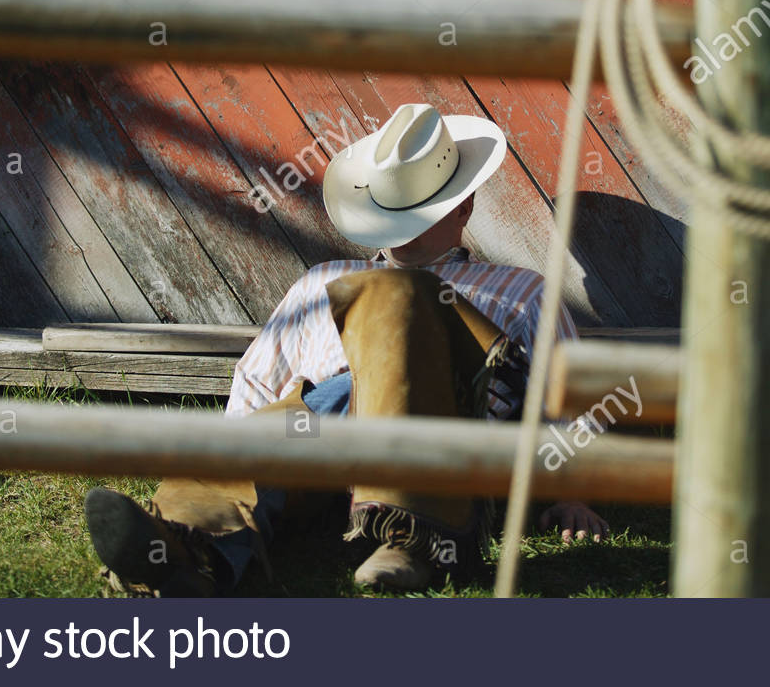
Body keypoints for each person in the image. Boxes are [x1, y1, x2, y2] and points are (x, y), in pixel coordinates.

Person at [85, 103, 609, 596]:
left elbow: (569, 401)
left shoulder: (523, 291)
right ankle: (185, 548)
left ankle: (414, 536)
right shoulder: (322, 281)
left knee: (398, 299)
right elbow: (256, 388)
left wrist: (571, 494)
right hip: (316, 452)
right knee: (296, 413)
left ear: (466, 204)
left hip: (446, 463)